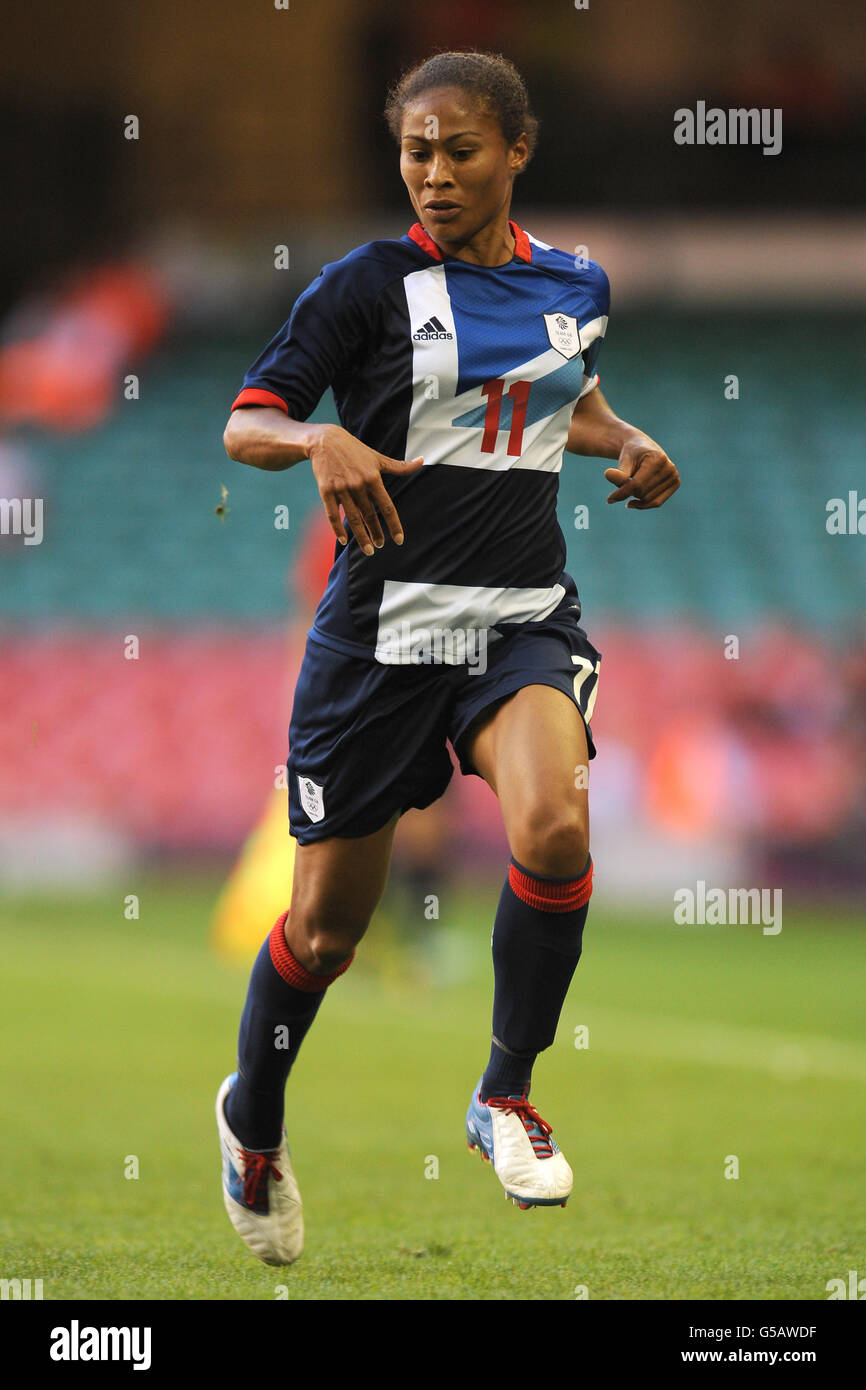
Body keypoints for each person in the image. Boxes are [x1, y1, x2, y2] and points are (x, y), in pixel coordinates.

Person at [216, 49, 680, 1266]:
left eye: (457, 150)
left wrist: (626, 437)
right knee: (324, 935)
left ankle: (503, 1093)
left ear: (514, 152)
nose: (431, 173)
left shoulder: (576, 282)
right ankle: (251, 1119)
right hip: (378, 638)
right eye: (415, 150)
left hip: (516, 617)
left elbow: (557, 394)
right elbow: (246, 417)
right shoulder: (366, 286)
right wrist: (317, 438)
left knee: (555, 829)